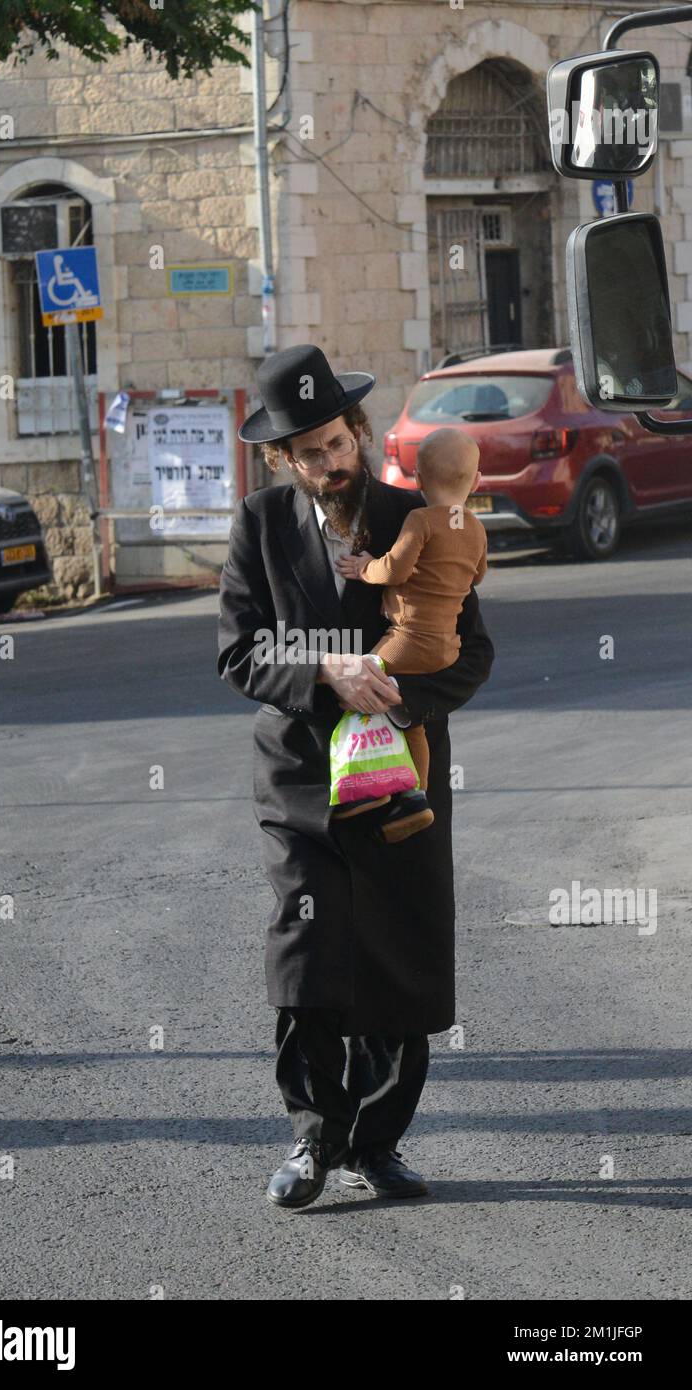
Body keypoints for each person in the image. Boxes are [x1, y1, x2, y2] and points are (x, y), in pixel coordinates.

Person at [217, 344, 494, 1209]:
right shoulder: (259, 525)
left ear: (359, 433)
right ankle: (312, 1141)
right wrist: (328, 673)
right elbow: (239, 652)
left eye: (337, 444)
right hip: (300, 783)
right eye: (309, 453)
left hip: (401, 784)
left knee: (397, 964)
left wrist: (394, 699)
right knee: (308, 962)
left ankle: (378, 1145)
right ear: (282, 459)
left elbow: (471, 652)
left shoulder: (422, 518)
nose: (329, 463)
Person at [332, 428, 488, 842]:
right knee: (410, 720)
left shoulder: (419, 519)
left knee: (359, 679)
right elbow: (478, 574)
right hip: (447, 647)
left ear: (417, 479)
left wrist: (364, 567)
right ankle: (413, 797)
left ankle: (362, 786)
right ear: (476, 482)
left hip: (408, 640)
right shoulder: (474, 528)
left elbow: (395, 569)